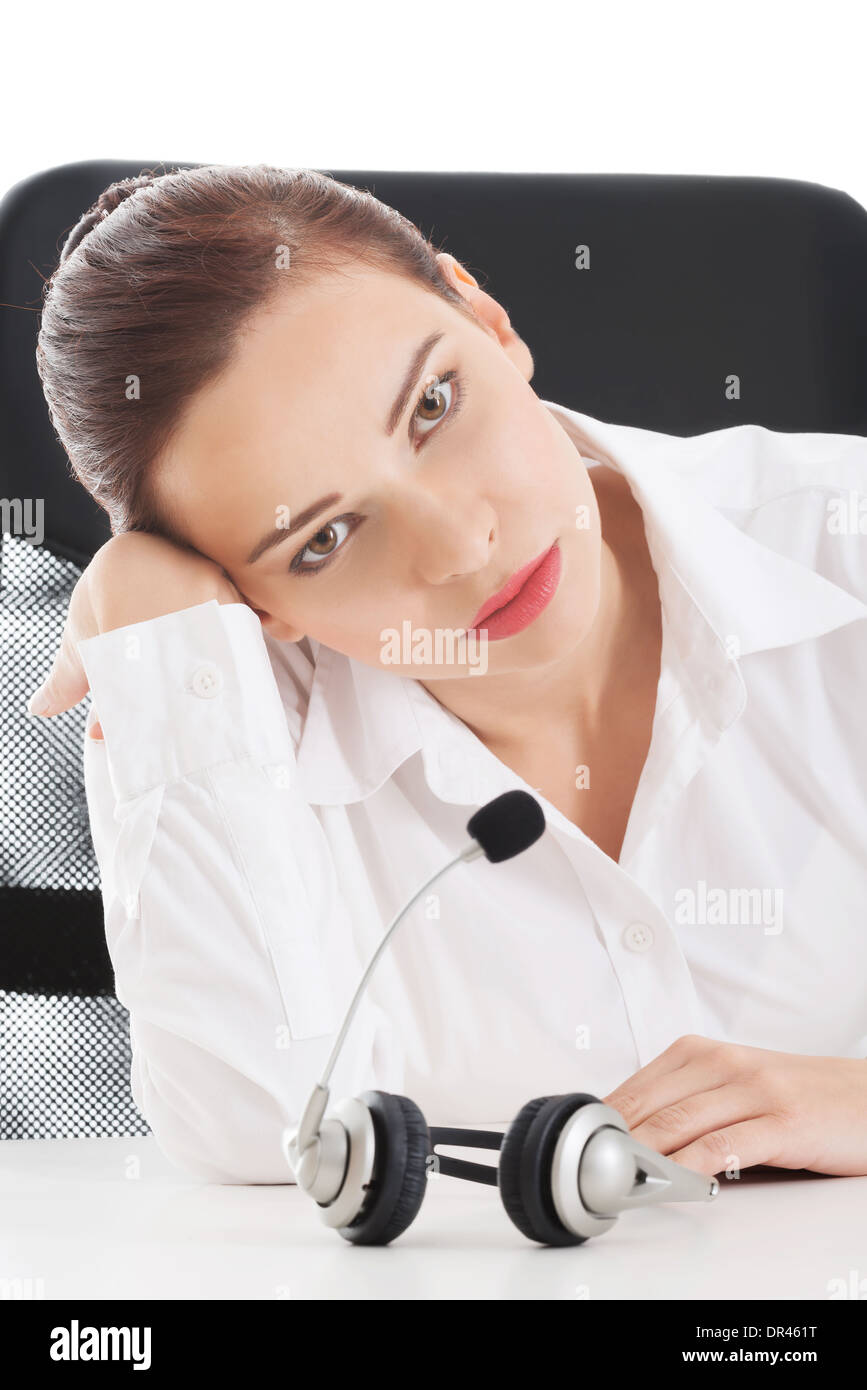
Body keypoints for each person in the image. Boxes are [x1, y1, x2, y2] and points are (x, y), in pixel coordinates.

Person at [28, 164, 867, 1185]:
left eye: (433, 404)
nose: (460, 547)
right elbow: (263, 1135)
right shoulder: (236, 719)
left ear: (486, 314)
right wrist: (154, 621)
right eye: (324, 538)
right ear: (264, 606)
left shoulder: (844, 543)